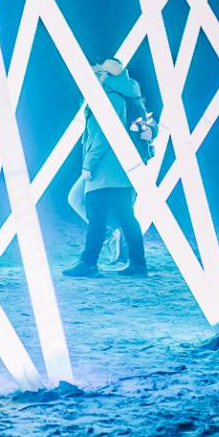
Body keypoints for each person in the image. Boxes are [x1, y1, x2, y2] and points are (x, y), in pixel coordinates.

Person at [63, 58, 152, 279]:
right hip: (121, 168)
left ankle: (89, 262)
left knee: (97, 214)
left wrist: (88, 165)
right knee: (123, 216)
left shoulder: (110, 97)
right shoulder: (128, 95)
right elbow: (143, 123)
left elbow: (103, 136)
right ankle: (137, 263)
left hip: (105, 167)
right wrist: (152, 132)